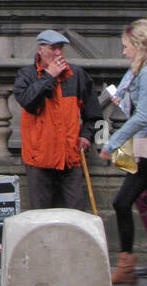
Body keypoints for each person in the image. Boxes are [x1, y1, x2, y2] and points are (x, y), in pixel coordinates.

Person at [13, 29, 102, 211]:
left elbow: (93, 113)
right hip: (39, 158)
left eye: (60, 48)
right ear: (40, 49)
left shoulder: (76, 75)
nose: (58, 53)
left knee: (77, 214)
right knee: (40, 215)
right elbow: (27, 102)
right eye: (53, 48)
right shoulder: (27, 75)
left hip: (71, 156)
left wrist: (86, 136)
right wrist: (48, 77)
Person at [100, 19, 147, 286]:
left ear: (138, 45)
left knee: (124, 201)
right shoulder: (141, 71)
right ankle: (126, 266)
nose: (123, 52)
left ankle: (126, 266)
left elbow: (144, 115)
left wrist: (111, 143)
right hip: (146, 149)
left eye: (125, 46)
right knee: (123, 201)